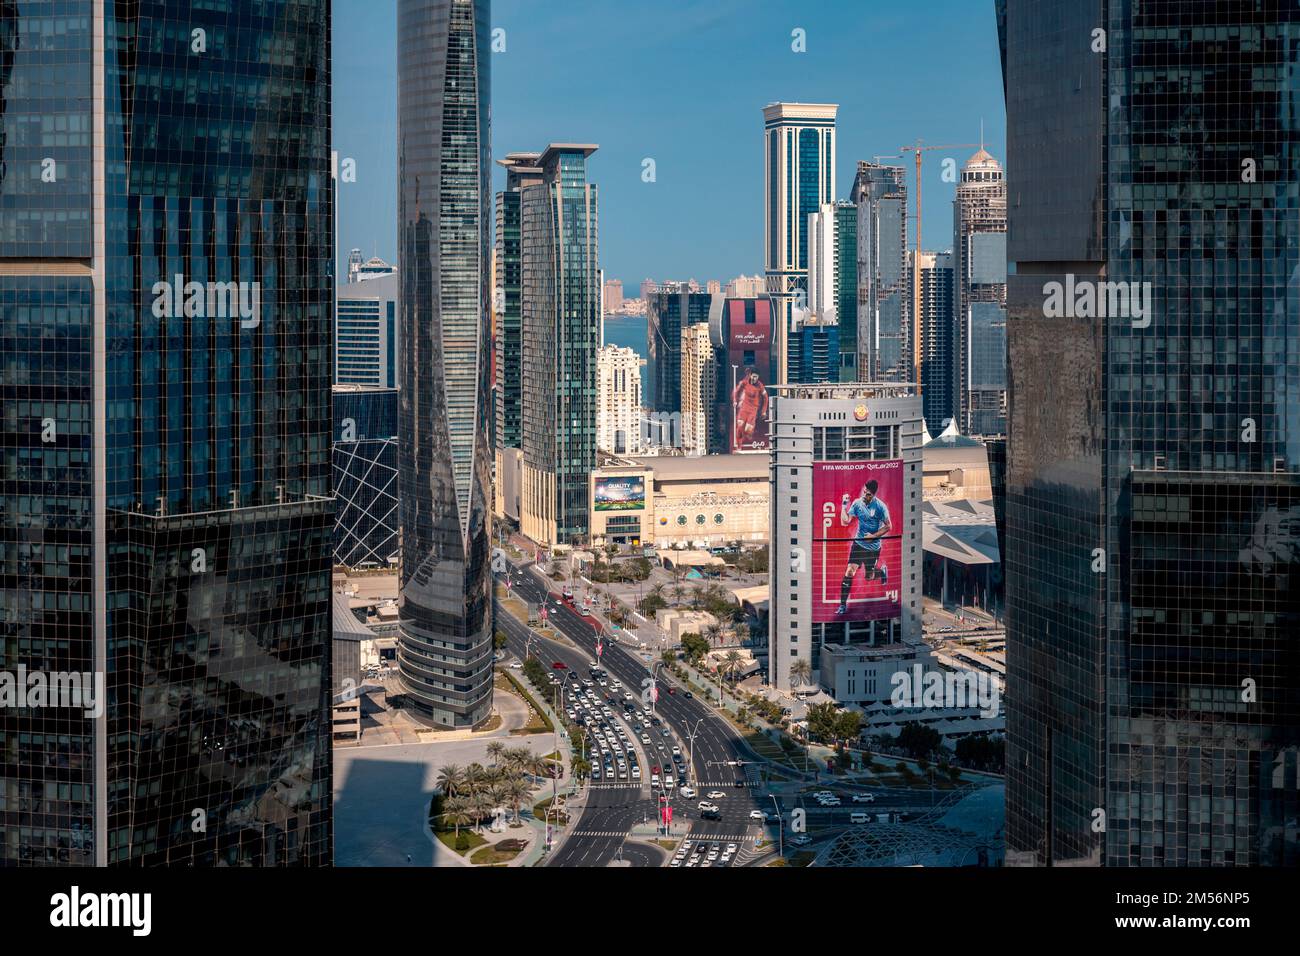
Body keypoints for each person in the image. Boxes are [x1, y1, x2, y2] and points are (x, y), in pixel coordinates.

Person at [836, 479, 891, 615]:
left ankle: (881, 572)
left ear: (873, 495)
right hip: (858, 544)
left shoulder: (880, 507)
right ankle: (843, 605)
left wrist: (873, 536)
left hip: (873, 548)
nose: (864, 494)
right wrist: (844, 505)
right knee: (849, 572)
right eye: (864, 491)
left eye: (867, 493)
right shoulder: (857, 503)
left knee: (869, 576)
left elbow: (888, 526)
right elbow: (845, 521)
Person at [732, 367, 768, 449]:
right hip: (744, 408)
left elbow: (766, 397)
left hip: (753, 410)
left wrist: (764, 411)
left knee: (748, 430)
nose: (755, 378)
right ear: (750, 375)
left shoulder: (760, 385)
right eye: (753, 376)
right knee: (740, 426)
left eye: (756, 377)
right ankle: (739, 446)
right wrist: (735, 400)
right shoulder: (745, 382)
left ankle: (750, 431)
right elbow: (736, 391)